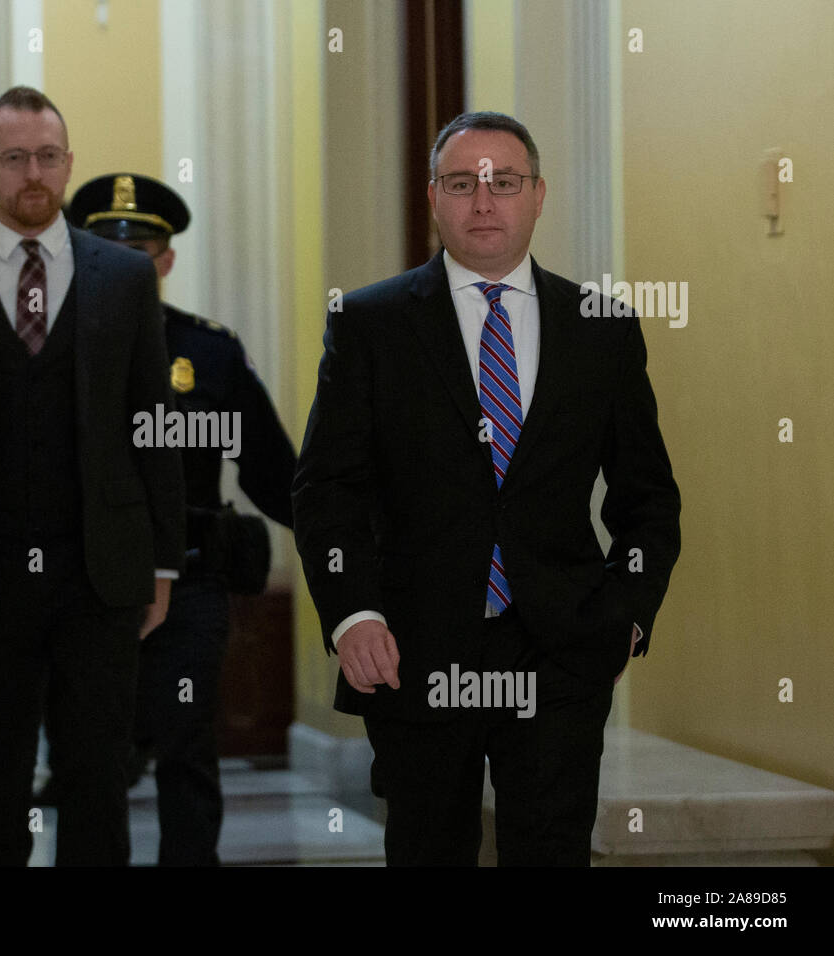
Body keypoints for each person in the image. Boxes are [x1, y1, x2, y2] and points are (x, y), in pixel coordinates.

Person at [292, 111, 681, 866]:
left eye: (503, 182)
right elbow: (327, 490)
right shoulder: (370, 324)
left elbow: (648, 498)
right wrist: (353, 614)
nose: (483, 202)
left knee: (552, 850)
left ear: (538, 194)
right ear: (432, 197)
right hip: (413, 647)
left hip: (561, 649)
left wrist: (628, 615)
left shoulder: (601, 327)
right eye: (461, 183)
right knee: (429, 849)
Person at [0, 88, 185, 866]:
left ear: (68, 162)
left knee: (97, 774)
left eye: (48, 156)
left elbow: (153, 422)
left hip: (100, 570)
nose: (34, 173)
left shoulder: (125, 278)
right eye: (14, 158)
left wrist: (164, 562)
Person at [69, 173, 298, 865]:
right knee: (89, 760)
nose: (126, 265)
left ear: (166, 260)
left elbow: (272, 471)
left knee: (187, 750)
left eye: (141, 252)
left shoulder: (210, 352)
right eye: (109, 251)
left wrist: (349, 539)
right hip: (84, 583)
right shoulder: (56, 349)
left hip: (193, 581)